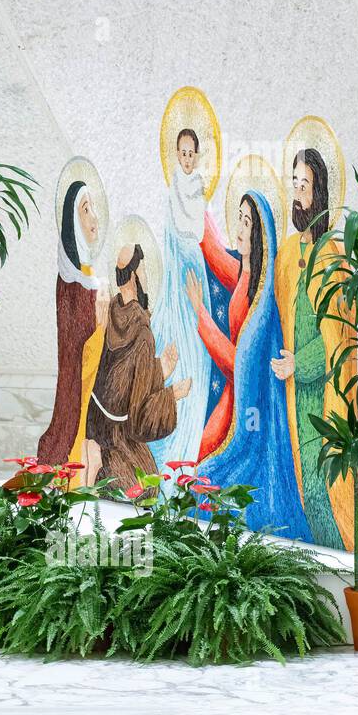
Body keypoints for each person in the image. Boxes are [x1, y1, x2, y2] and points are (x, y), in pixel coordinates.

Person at [190, 192, 312, 541]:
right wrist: (198, 208)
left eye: (246, 223)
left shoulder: (260, 310)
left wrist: (201, 314)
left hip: (249, 409)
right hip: (237, 397)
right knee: (199, 463)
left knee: (210, 474)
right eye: (239, 220)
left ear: (260, 236)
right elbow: (218, 258)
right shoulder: (247, 274)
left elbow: (238, 364)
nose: (239, 229)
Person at [271, 148, 358, 551]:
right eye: (293, 182)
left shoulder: (333, 253)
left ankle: (343, 560)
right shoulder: (288, 253)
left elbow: (341, 332)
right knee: (302, 486)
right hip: (295, 396)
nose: (297, 191)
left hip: (324, 394)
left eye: (305, 184)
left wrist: (301, 361)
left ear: (320, 193)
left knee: (321, 487)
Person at [84, 244, 191, 486]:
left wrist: (160, 368)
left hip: (94, 427)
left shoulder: (109, 311)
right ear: (134, 277)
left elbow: (121, 376)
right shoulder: (142, 333)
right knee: (146, 486)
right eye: (143, 271)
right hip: (117, 437)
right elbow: (139, 418)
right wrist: (172, 395)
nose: (146, 277)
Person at [147, 129, 213, 470]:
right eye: (182, 153)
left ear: (197, 156)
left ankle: (187, 452)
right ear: (175, 155)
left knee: (197, 356)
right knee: (170, 345)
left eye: (191, 153)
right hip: (174, 280)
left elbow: (197, 235)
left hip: (193, 273)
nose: (186, 159)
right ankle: (164, 444)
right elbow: (171, 238)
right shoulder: (172, 191)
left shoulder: (197, 189)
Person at [36, 180, 107, 473]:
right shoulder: (70, 277)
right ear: (72, 222)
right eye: (85, 210)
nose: (94, 218)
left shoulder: (87, 273)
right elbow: (75, 338)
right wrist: (101, 320)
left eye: (93, 209)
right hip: (78, 385)